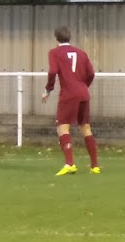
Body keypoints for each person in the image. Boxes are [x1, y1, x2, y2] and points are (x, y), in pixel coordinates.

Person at [42, 25, 100, 176]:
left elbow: (52, 71)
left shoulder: (54, 52)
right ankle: (95, 166)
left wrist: (48, 89)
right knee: (85, 127)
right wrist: (83, 86)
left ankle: (69, 164)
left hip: (68, 94)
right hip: (84, 93)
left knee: (62, 127)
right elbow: (91, 73)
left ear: (56, 38)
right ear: (69, 37)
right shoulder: (81, 53)